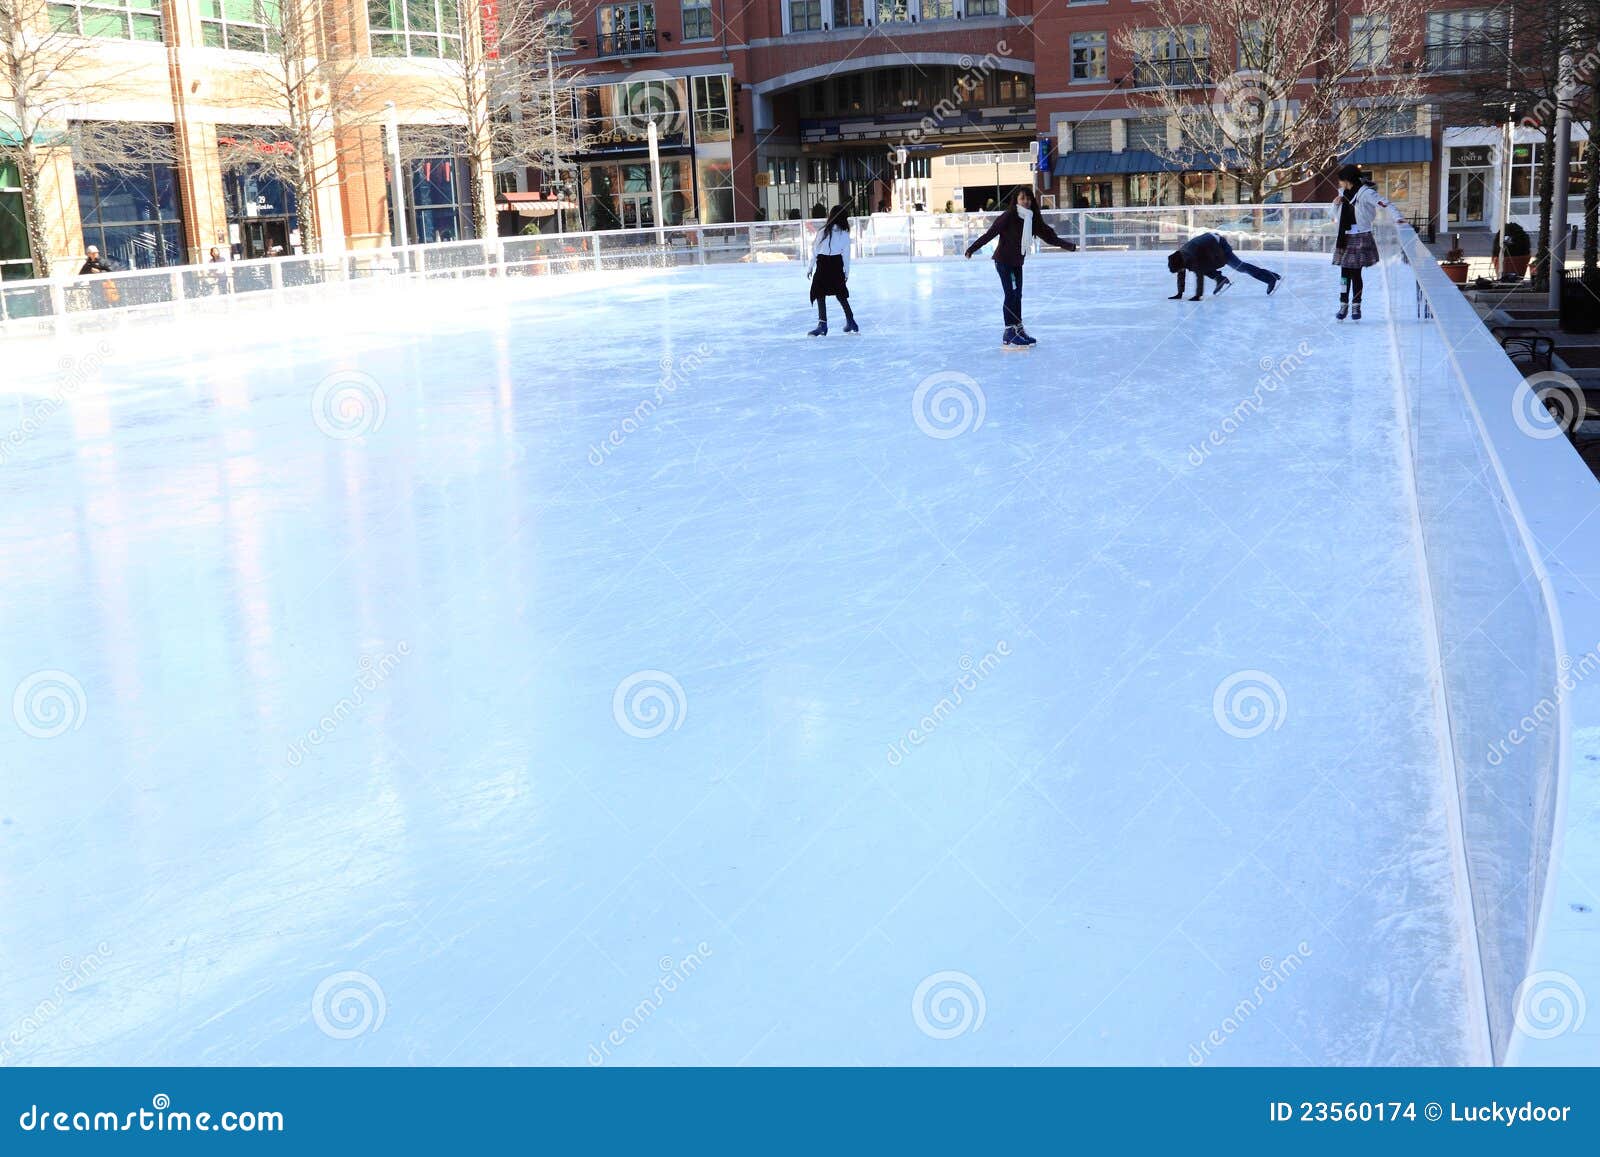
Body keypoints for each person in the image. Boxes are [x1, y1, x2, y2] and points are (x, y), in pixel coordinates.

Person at [963, 188, 1077, 347]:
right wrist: (972, 249)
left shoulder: (1031, 218)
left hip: (1017, 262)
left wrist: (1068, 246)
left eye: (1028, 199)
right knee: (1011, 295)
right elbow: (991, 233)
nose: (1026, 201)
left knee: (1018, 295)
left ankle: (1018, 328)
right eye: (1022, 198)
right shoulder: (1009, 216)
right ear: (1016, 201)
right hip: (1003, 261)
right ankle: (1009, 331)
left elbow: (1049, 237)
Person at [1330, 163, 1397, 321]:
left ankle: (1356, 306)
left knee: (1356, 274)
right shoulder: (1342, 193)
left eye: (1341, 180)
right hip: (1344, 236)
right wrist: (1335, 204)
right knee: (1344, 274)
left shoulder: (1365, 193)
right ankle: (1343, 304)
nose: (1339, 183)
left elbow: (1384, 203)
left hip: (1360, 236)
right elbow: (1333, 217)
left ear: (1347, 179)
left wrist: (1398, 218)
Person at [1167, 232, 1281, 301]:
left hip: (1218, 245)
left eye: (1180, 269)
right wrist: (1180, 293)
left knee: (1240, 267)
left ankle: (1270, 278)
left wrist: (1198, 295)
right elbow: (1181, 274)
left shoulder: (1191, 256)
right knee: (1198, 267)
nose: (1181, 271)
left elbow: (1199, 276)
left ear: (1180, 264)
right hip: (1207, 248)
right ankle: (1220, 279)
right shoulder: (1180, 257)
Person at [805, 204, 858, 336]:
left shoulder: (823, 232)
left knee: (819, 293)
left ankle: (823, 324)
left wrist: (810, 267)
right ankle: (850, 320)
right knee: (840, 294)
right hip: (836, 265)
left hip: (823, 265)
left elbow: (815, 251)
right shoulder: (844, 234)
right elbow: (846, 255)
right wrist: (846, 271)